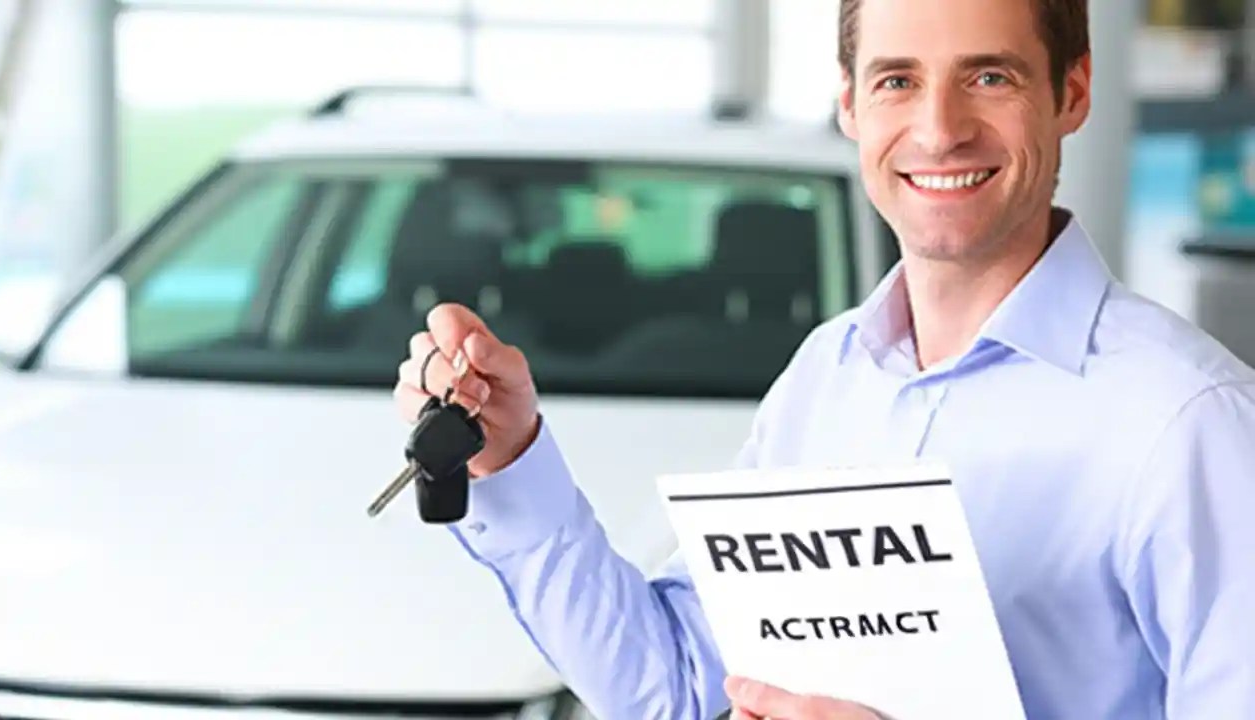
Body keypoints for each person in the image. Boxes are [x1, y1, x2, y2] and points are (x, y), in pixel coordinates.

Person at [393, 0, 1255, 717]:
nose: (939, 131)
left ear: (1073, 91)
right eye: (897, 80)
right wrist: (510, 459)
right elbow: (680, 687)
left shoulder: (1190, 422)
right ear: (850, 104)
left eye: (989, 77)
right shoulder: (829, 377)